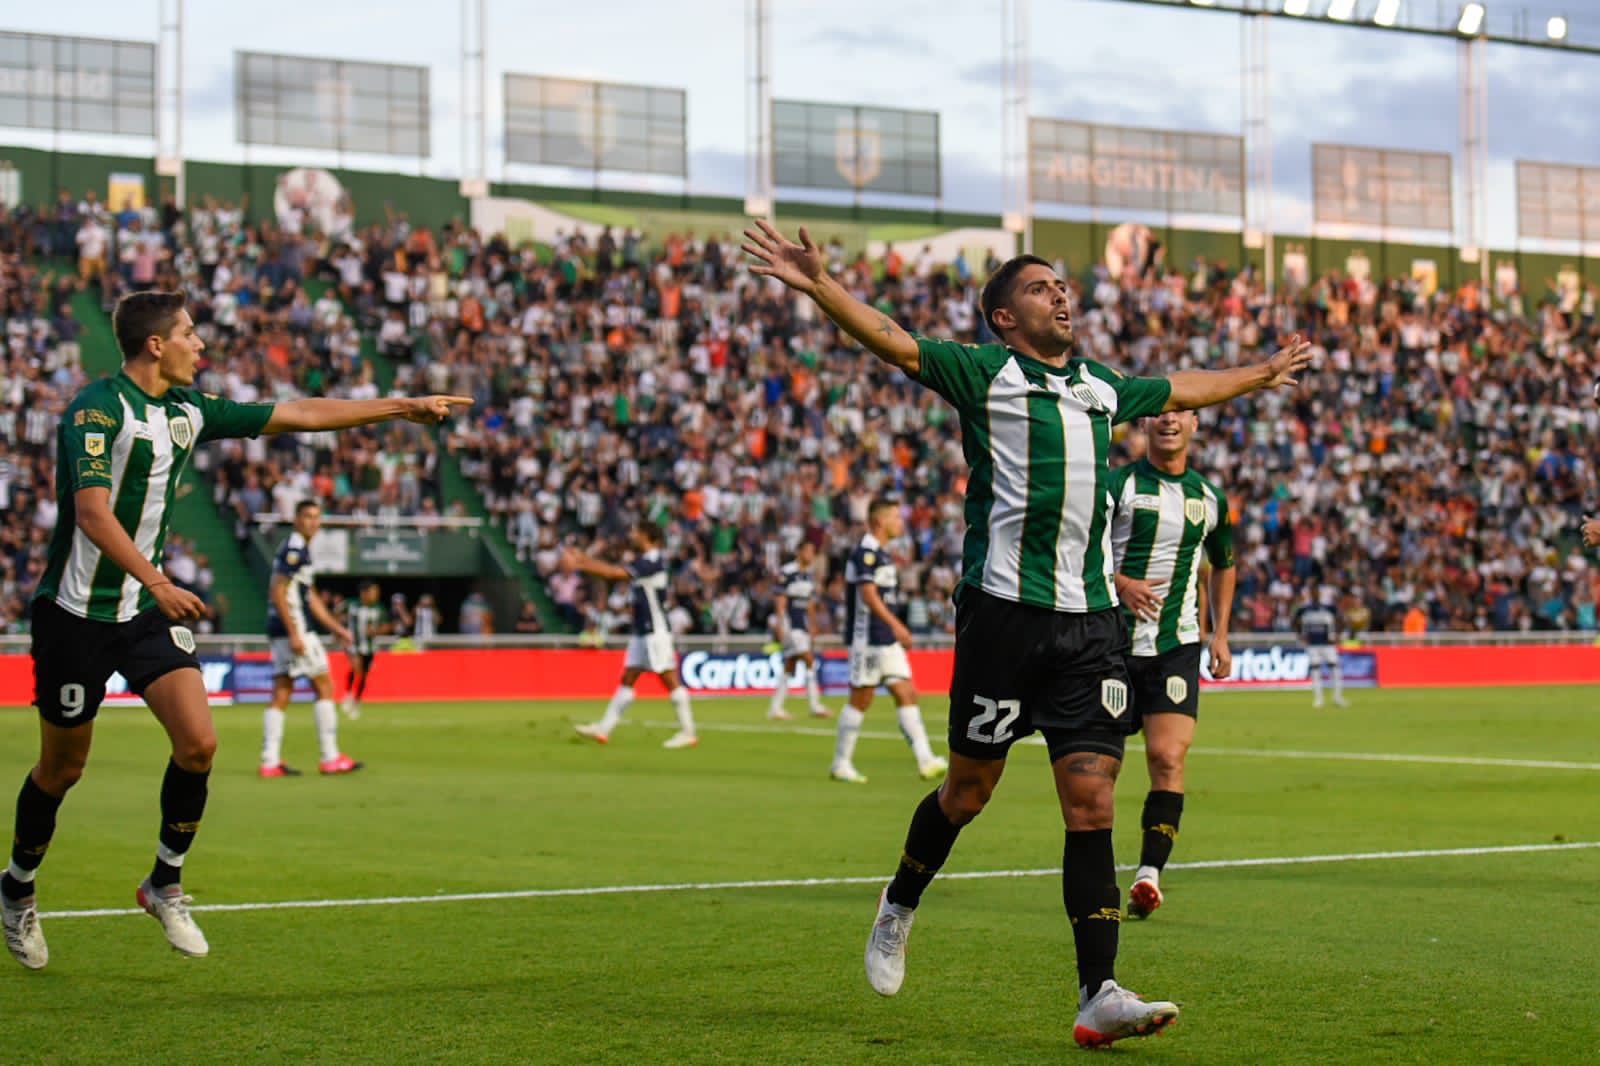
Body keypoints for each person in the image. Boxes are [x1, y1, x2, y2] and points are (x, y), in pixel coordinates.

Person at [742, 221, 1310, 1048]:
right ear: (1004, 317)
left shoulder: (1103, 388)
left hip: (1088, 628)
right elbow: (895, 342)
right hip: (1002, 618)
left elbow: (1183, 386)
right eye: (1041, 288)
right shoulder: (983, 373)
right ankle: (899, 901)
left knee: (1091, 803)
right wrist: (823, 287)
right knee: (967, 793)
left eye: (1062, 286)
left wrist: (1261, 373)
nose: (1061, 295)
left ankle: (1098, 991)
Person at [0, 289, 470, 970]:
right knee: (62, 767)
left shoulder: (192, 411)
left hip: (144, 613)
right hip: (75, 615)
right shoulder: (96, 410)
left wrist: (403, 407)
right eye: (191, 333)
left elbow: (301, 412)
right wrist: (161, 580)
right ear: (156, 344)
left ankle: (164, 882)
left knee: (199, 743)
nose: (203, 345)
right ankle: (17, 889)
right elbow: (95, 514)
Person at [1108, 409, 1236, 920]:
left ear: (1195, 426)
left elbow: (1224, 563)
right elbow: (1075, 550)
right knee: (1096, 773)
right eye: (1157, 414)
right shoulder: (1115, 486)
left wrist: (1220, 632)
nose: (1168, 421)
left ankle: (1148, 875)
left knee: (1167, 758)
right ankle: (1095, 874)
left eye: (1180, 414)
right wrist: (1120, 583)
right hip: (1111, 645)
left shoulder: (1208, 498)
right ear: (1143, 427)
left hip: (1176, 646)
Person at [829, 501, 946, 784]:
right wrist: (898, 625)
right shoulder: (865, 553)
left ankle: (925, 759)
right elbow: (868, 595)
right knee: (861, 699)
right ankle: (840, 763)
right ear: (879, 521)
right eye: (895, 516)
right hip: (867, 638)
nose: (900, 521)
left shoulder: (881, 554)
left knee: (906, 691)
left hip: (885, 638)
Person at [567, 524, 698, 749]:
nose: (632, 535)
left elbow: (613, 573)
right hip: (642, 631)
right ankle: (604, 728)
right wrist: (583, 561)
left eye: (636, 532)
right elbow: (613, 570)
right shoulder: (644, 560)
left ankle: (688, 731)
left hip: (655, 631)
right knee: (628, 676)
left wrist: (580, 563)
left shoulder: (653, 561)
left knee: (668, 678)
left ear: (649, 537)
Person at [259, 501, 362, 777]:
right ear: (296, 519)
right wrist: (295, 632)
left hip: (282, 628)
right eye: (307, 516)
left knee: (282, 690)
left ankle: (269, 762)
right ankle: (330, 757)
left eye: (317, 517)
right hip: (295, 628)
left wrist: (335, 628)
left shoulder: (298, 548)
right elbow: (278, 591)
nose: (312, 522)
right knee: (324, 686)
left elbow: (309, 596)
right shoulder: (294, 548)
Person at [767, 539, 831, 722]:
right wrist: (779, 623)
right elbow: (780, 599)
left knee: (790, 664)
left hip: (802, 625)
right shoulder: (788, 572)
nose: (811, 556)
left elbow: (810, 604)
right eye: (809, 551)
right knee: (808, 659)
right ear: (799, 552)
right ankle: (814, 705)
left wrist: (813, 625)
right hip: (789, 623)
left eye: (813, 552)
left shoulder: (808, 576)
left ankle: (776, 707)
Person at [342, 581, 386, 719]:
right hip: (353, 644)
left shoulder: (379, 608)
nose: (376, 594)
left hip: (370, 646)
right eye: (373, 591)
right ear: (364, 593)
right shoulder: (351, 604)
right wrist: (340, 632)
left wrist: (377, 630)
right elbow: (335, 614)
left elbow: (387, 625)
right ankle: (348, 694)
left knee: (364, 674)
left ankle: (356, 701)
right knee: (356, 668)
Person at [1294, 592, 1347, 708]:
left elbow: (1342, 619)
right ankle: (1319, 699)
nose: (1315, 597)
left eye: (1317, 594)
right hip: (1313, 645)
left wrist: (1338, 634)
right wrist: (1299, 635)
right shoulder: (1305, 610)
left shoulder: (1329, 608)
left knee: (1335, 668)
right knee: (1315, 669)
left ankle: (1337, 697)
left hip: (1328, 644)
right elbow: (1294, 621)